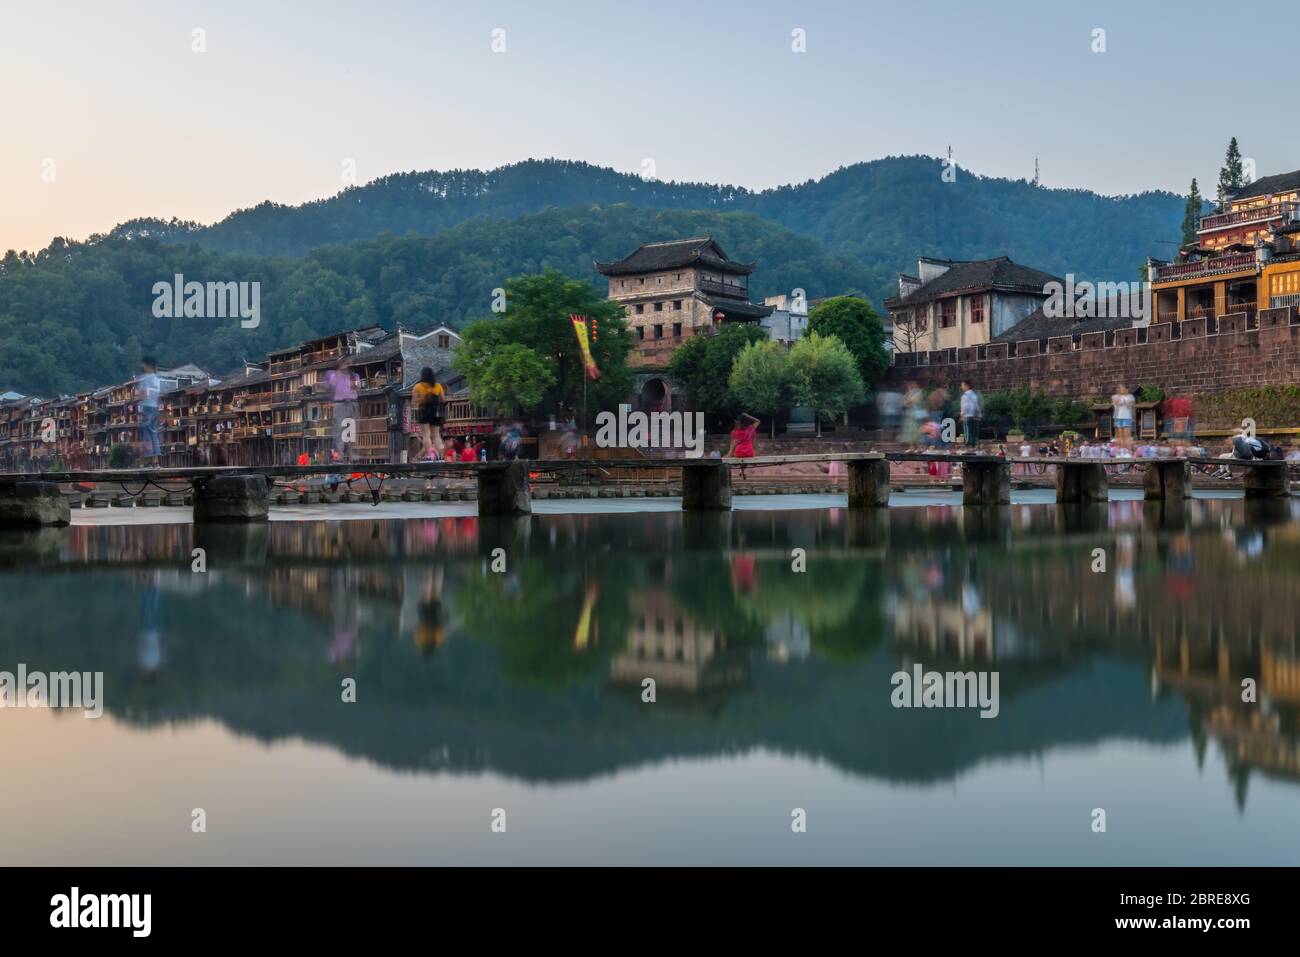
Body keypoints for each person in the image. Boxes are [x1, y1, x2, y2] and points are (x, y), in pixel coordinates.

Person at [325, 366, 361, 463]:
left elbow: (357, 387)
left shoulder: (354, 376)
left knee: (352, 429)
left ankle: (352, 455)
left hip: (352, 402)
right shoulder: (336, 376)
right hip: (340, 404)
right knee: (340, 430)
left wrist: (353, 384)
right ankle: (339, 456)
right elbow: (330, 387)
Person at [412, 367, 445, 461]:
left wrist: (422, 398)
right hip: (435, 412)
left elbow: (414, 401)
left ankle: (430, 455)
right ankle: (442, 456)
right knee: (436, 435)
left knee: (426, 435)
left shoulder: (418, 386)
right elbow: (443, 400)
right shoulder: (438, 386)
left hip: (424, 411)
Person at [138, 357, 161, 461]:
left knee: (146, 433)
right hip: (154, 407)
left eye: (144, 365)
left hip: (147, 407)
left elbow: (142, 394)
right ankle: (156, 458)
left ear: (149, 366)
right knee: (153, 432)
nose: (143, 367)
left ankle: (149, 458)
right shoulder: (156, 378)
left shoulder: (146, 378)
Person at [1111, 384, 1136, 449]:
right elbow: (1114, 403)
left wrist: (1125, 402)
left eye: (1122, 388)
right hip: (1117, 417)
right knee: (1119, 435)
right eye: (1119, 388)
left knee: (1127, 435)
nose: (1121, 389)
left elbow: (1131, 405)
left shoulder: (1130, 396)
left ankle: (1128, 450)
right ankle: (1121, 450)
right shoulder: (1114, 396)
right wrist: (1119, 399)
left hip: (1127, 417)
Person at [959, 380, 981, 448]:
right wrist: (978, 415)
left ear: (967, 386)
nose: (962, 387)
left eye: (962, 385)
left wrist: (962, 414)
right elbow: (977, 406)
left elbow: (964, 406)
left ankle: (968, 444)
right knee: (973, 431)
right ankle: (973, 445)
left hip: (967, 416)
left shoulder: (965, 395)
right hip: (974, 416)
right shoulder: (974, 394)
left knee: (967, 431)